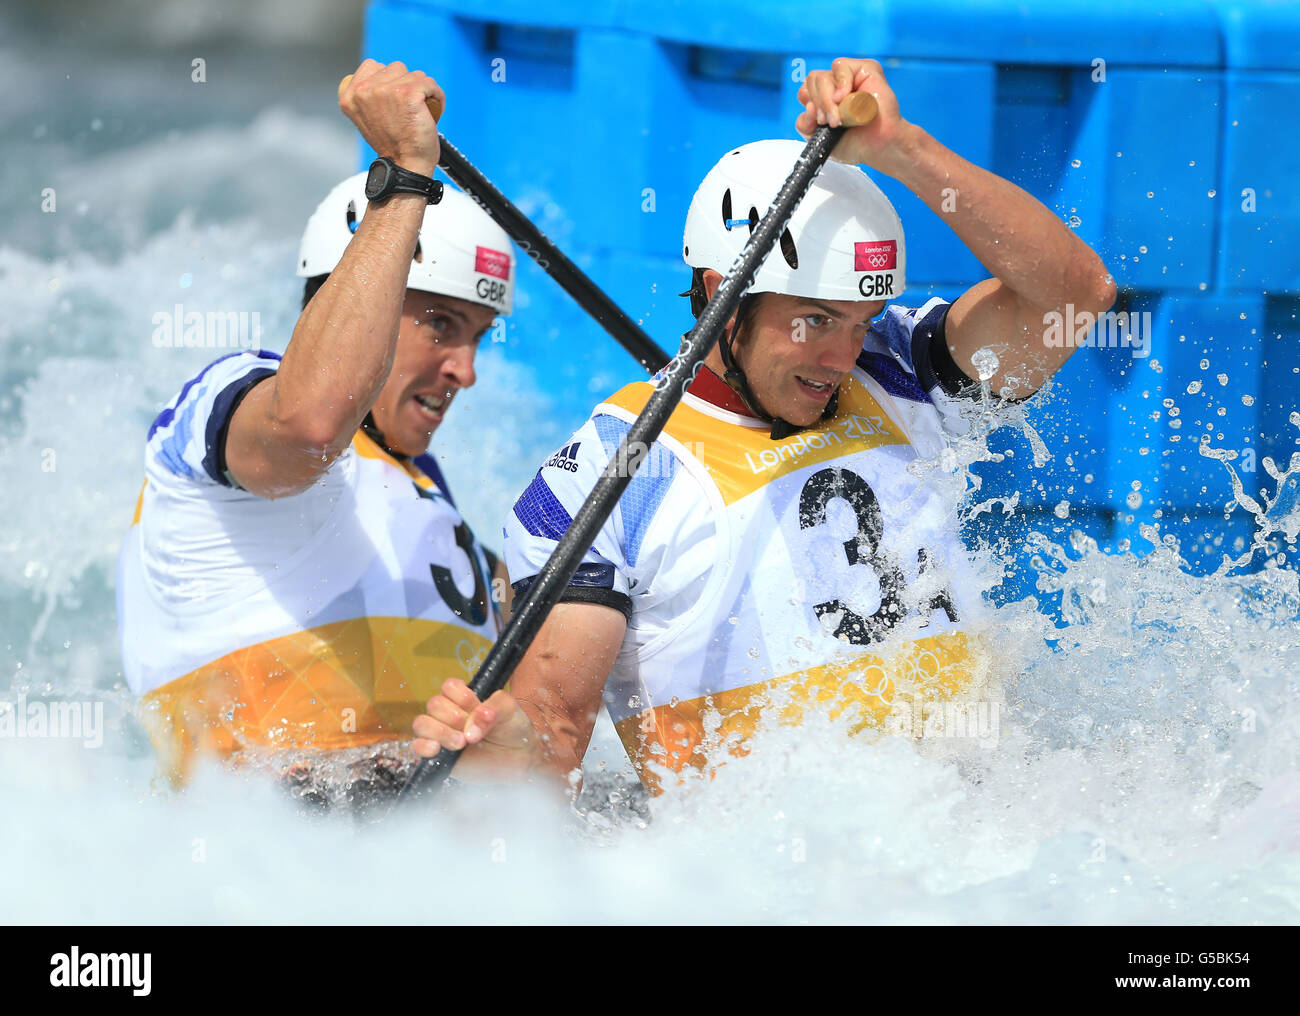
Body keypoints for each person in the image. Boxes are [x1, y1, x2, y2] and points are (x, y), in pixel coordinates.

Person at [411, 57, 1117, 792]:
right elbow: (551, 740)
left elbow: (1076, 293)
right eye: (814, 321)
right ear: (725, 292)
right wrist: (496, 755)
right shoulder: (603, 481)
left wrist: (903, 148)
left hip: (986, 823)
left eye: (861, 320)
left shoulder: (900, 366)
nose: (844, 355)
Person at [117, 61, 515, 799]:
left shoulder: (454, 533)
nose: (466, 370)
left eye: (479, 337)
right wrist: (403, 178)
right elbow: (309, 426)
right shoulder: (226, 408)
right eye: (440, 325)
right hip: (248, 863)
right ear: (347, 287)